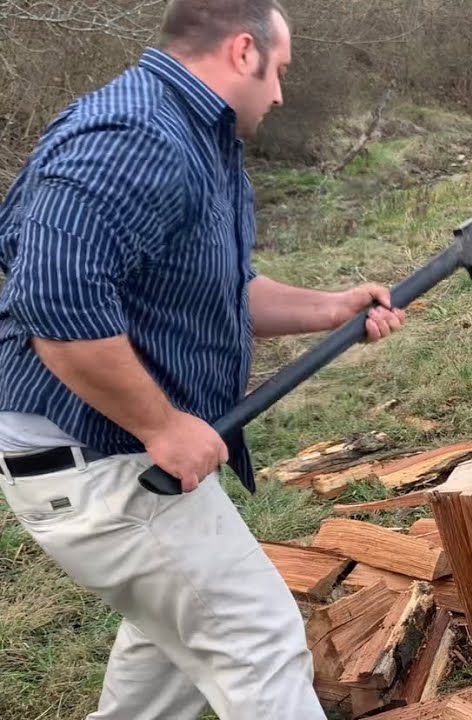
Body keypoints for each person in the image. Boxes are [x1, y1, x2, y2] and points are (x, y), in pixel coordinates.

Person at [0, 1, 407, 717]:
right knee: (260, 641)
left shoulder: (193, 136)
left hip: (116, 450)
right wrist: (161, 425)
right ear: (242, 51)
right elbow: (53, 302)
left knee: (172, 660)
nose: (281, 93)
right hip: (96, 454)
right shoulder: (136, 134)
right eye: (279, 70)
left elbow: (223, 288)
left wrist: (332, 308)